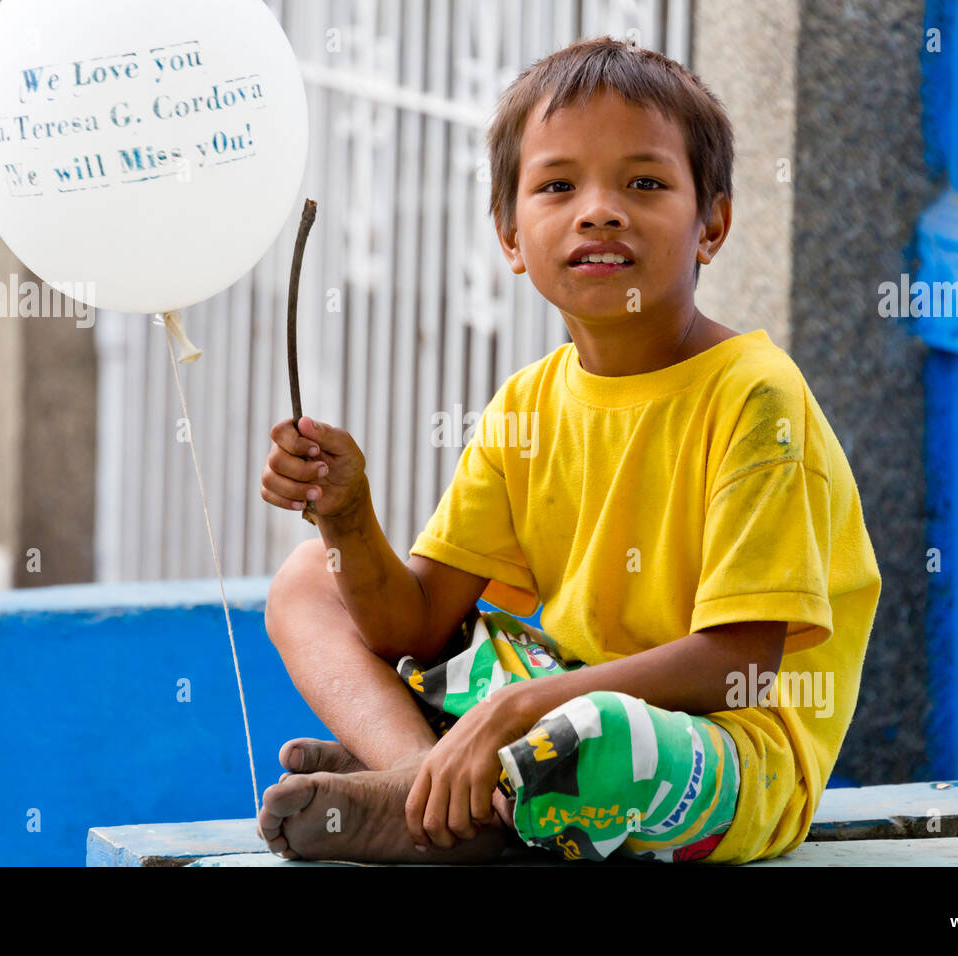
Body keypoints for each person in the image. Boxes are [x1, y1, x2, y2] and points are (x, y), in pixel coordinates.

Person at [256, 36, 882, 865]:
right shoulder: (527, 403)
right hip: (556, 694)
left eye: (646, 183)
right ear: (512, 238)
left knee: (598, 734)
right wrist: (347, 517)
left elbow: (741, 665)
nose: (599, 209)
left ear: (713, 224)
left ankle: (441, 795)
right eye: (558, 186)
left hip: (718, 761)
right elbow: (415, 624)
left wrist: (515, 713)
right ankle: (428, 784)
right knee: (309, 581)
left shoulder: (755, 399)